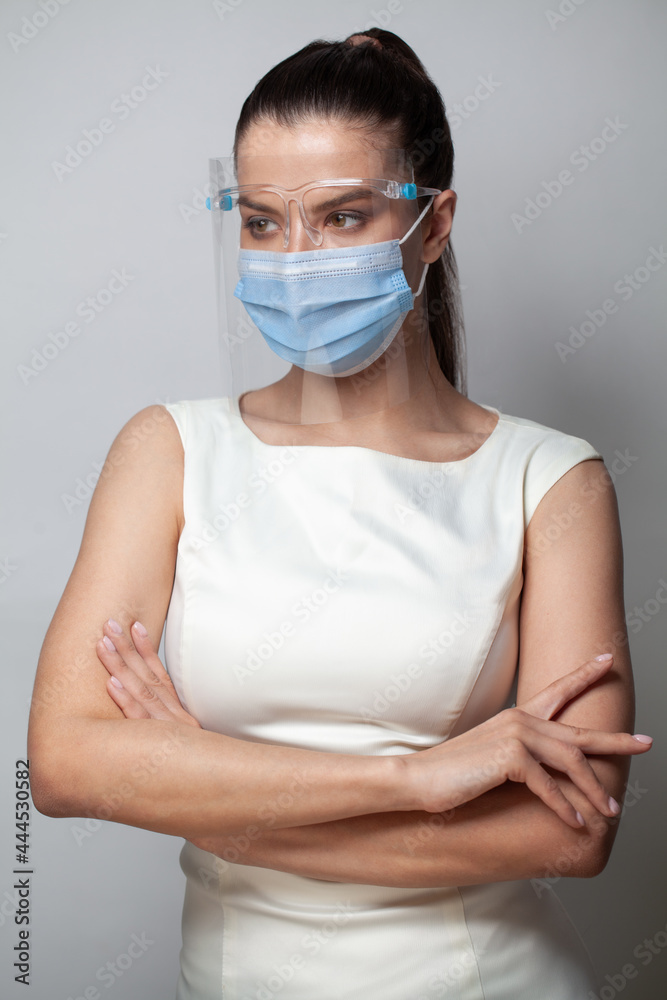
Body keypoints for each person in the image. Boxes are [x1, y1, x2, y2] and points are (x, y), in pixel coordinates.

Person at [28, 28, 652, 1000]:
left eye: (343, 215)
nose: (295, 257)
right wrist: (418, 777)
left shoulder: (549, 480)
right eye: (263, 221)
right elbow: (64, 766)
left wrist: (199, 781)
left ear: (433, 224)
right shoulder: (168, 450)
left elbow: (569, 832)